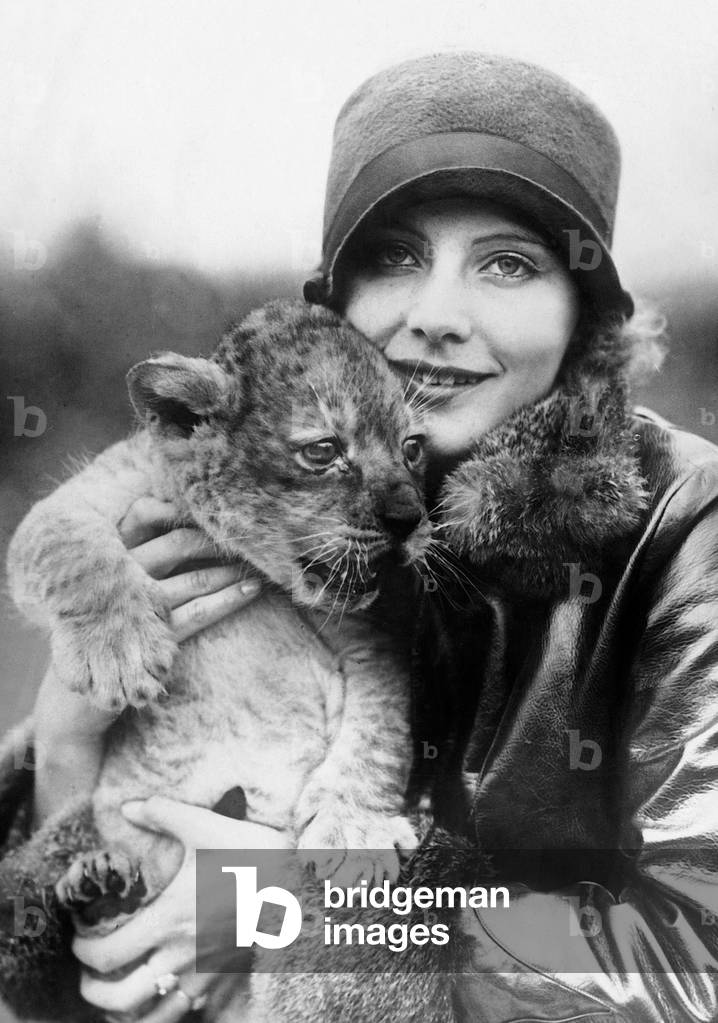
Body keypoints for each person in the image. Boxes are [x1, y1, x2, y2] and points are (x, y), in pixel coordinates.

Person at [2, 50, 718, 1023]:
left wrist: (290, 911)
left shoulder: (688, 525)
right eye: (394, 257)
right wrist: (63, 750)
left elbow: (693, 954)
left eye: (508, 263)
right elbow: (88, 946)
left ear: (585, 309)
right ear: (332, 301)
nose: (435, 318)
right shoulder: (275, 472)